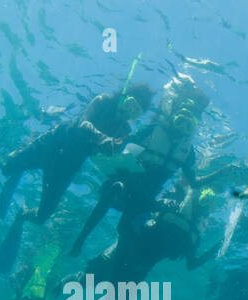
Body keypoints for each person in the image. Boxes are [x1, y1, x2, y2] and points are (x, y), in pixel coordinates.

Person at [0, 86, 147, 271]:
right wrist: (101, 138)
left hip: (65, 168)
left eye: (136, 111)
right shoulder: (103, 101)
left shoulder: (124, 130)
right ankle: (17, 166)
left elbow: (107, 158)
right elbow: (83, 123)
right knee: (5, 167)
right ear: (122, 97)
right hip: (52, 144)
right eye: (130, 104)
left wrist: (117, 154)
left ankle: (23, 213)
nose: (129, 112)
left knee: (42, 216)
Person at [70, 75, 215, 257]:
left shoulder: (188, 152)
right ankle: (81, 239)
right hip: (125, 188)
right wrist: (109, 143)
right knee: (115, 187)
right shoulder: (152, 130)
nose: (180, 128)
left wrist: (222, 173)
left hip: (145, 200)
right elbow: (121, 144)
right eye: (179, 120)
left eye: (188, 124)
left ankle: (116, 256)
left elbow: (193, 183)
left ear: (194, 125)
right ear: (173, 115)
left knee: (128, 232)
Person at [79, 186, 219, 300]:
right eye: (203, 205)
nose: (203, 211)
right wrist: (217, 247)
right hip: (127, 252)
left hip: (140, 265)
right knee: (89, 282)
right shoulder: (175, 210)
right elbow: (144, 208)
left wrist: (217, 247)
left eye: (206, 208)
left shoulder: (192, 232)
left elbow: (191, 264)